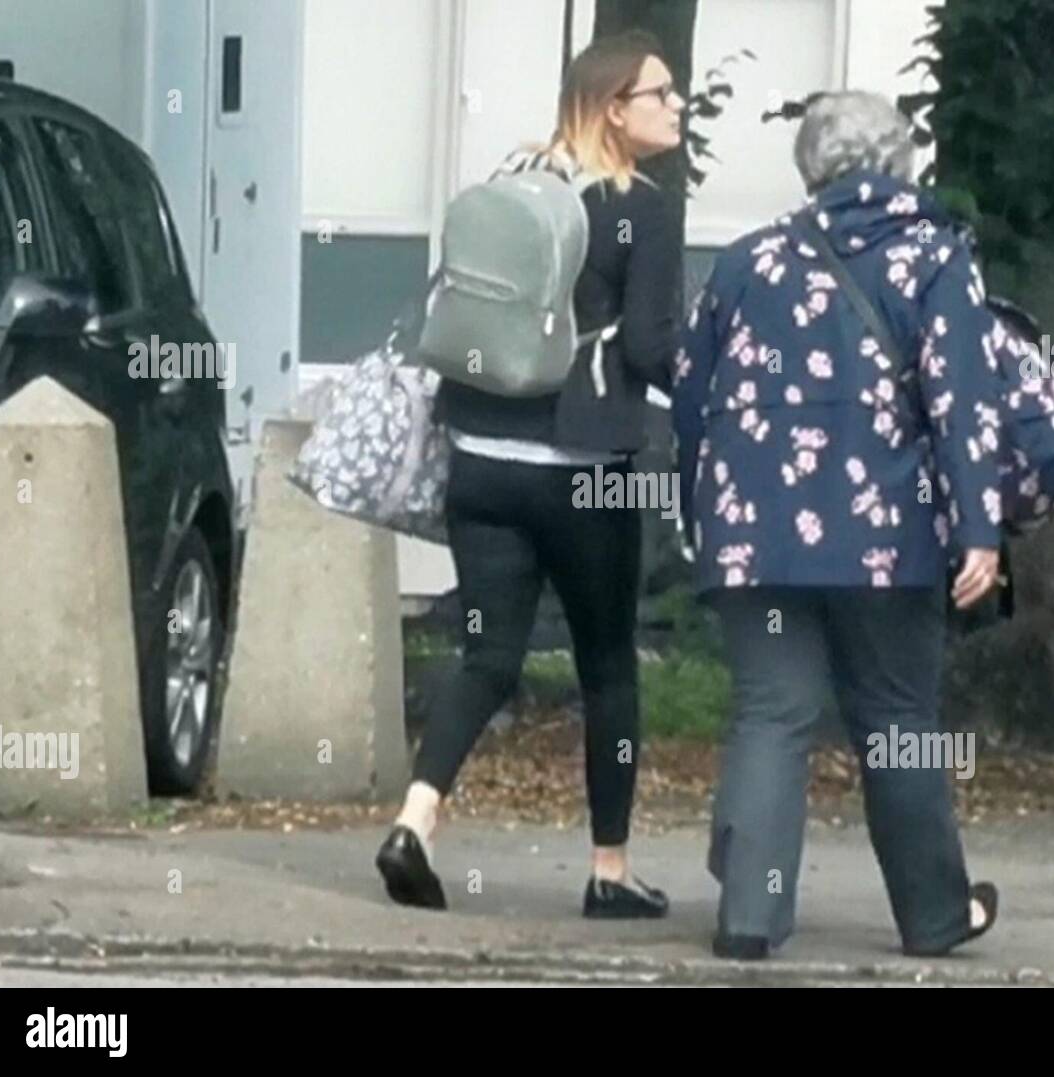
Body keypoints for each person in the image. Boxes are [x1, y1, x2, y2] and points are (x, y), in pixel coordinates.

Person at [673, 90, 1003, 959]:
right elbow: (962, 400)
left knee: (770, 714)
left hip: (756, 533)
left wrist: (695, 514)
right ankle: (934, 917)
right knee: (897, 716)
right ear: (901, 164)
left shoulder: (749, 263)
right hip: (885, 537)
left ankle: (749, 916)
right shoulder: (936, 258)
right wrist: (980, 526)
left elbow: (690, 398)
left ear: (809, 168)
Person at [377, 30, 684, 918]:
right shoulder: (643, 208)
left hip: (481, 462)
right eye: (660, 95)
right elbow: (657, 347)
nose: (676, 109)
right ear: (613, 109)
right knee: (608, 666)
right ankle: (610, 869)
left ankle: (414, 820)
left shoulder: (515, 177)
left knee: (488, 655)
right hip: (583, 474)